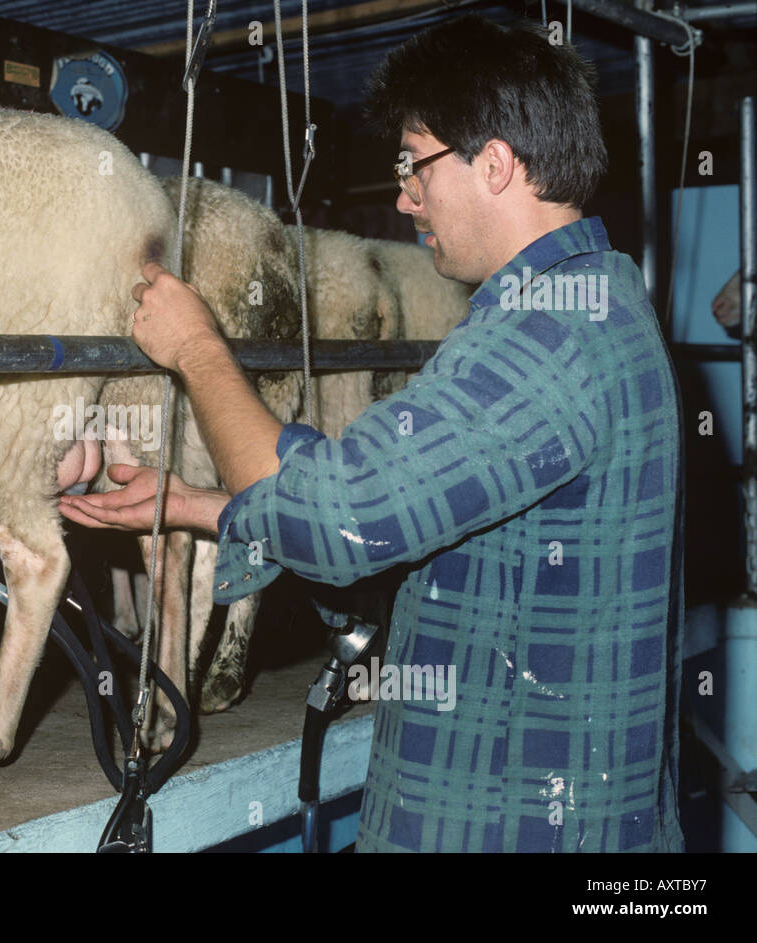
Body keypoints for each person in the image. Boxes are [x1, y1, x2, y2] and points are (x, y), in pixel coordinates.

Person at [60, 14, 685, 853]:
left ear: (494, 164)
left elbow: (335, 520)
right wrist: (198, 504)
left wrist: (196, 350)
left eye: (415, 164)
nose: (403, 197)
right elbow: (410, 508)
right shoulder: (592, 303)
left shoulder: (551, 335)